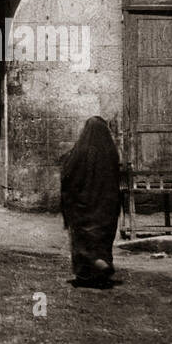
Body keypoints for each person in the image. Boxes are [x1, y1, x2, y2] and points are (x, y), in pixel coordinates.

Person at [60, 116, 121, 289]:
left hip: (83, 207)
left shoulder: (81, 151)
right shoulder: (110, 151)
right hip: (106, 207)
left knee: (83, 240)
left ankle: (92, 269)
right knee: (101, 239)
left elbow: (68, 176)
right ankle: (100, 267)